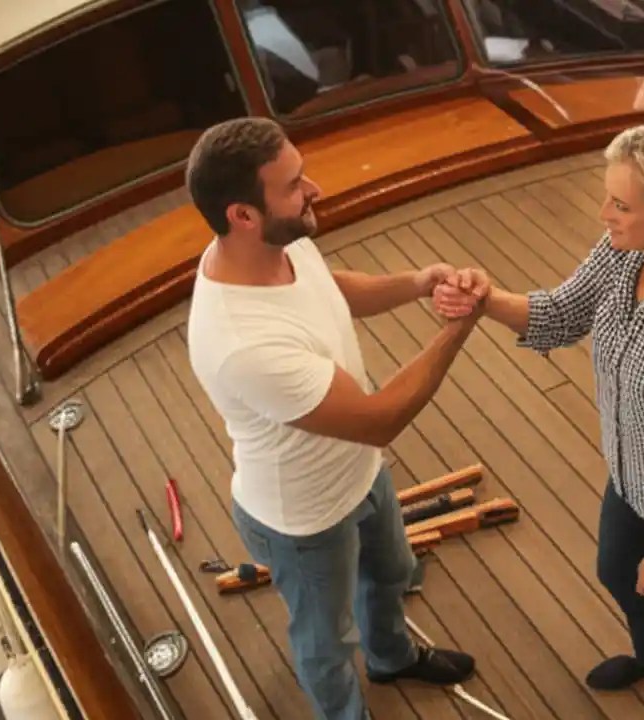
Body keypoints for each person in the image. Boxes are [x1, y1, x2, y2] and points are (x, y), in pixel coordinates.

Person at [434, 113, 644, 720]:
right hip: (633, 476)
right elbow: (560, 313)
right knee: (616, 570)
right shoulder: (623, 254)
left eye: (620, 204)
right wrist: (484, 301)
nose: (603, 215)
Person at [183, 116, 483, 720]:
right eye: (294, 184)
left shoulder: (275, 242)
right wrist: (460, 328)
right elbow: (380, 418)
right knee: (326, 642)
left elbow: (328, 286)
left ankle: (392, 657)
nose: (314, 188)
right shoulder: (242, 341)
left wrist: (418, 283)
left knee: (394, 571)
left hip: (360, 472)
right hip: (303, 518)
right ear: (243, 213)